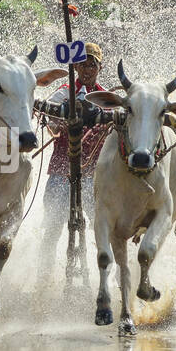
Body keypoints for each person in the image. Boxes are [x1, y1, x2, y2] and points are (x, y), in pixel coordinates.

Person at [37, 43, 113, 256]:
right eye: (83, 65)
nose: (87, 70)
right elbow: (48, 115)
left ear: (100, 68)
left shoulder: (106, 98)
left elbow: (116, 127)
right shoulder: (64, 92)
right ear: (76, 68)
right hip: (62, 170)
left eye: (92, 65)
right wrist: (60, 121)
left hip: (93, 175)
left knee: (102, 230)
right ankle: (43, 276)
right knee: (52, 231)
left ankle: (108, 275)